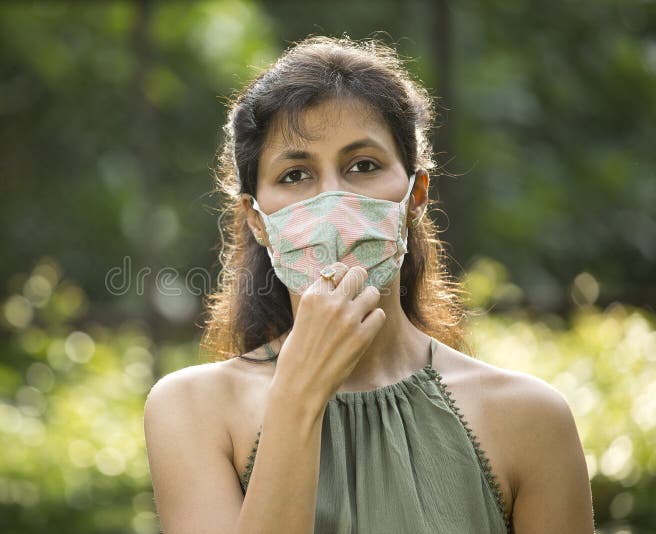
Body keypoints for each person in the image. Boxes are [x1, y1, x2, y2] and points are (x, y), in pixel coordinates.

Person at [144, 35, 595, 533]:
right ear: (255, 219)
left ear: (416, 195)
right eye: (296, 175)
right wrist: (298, 393)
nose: (333, 201)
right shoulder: (191, 410)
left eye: (363, 166)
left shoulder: (529, 418)